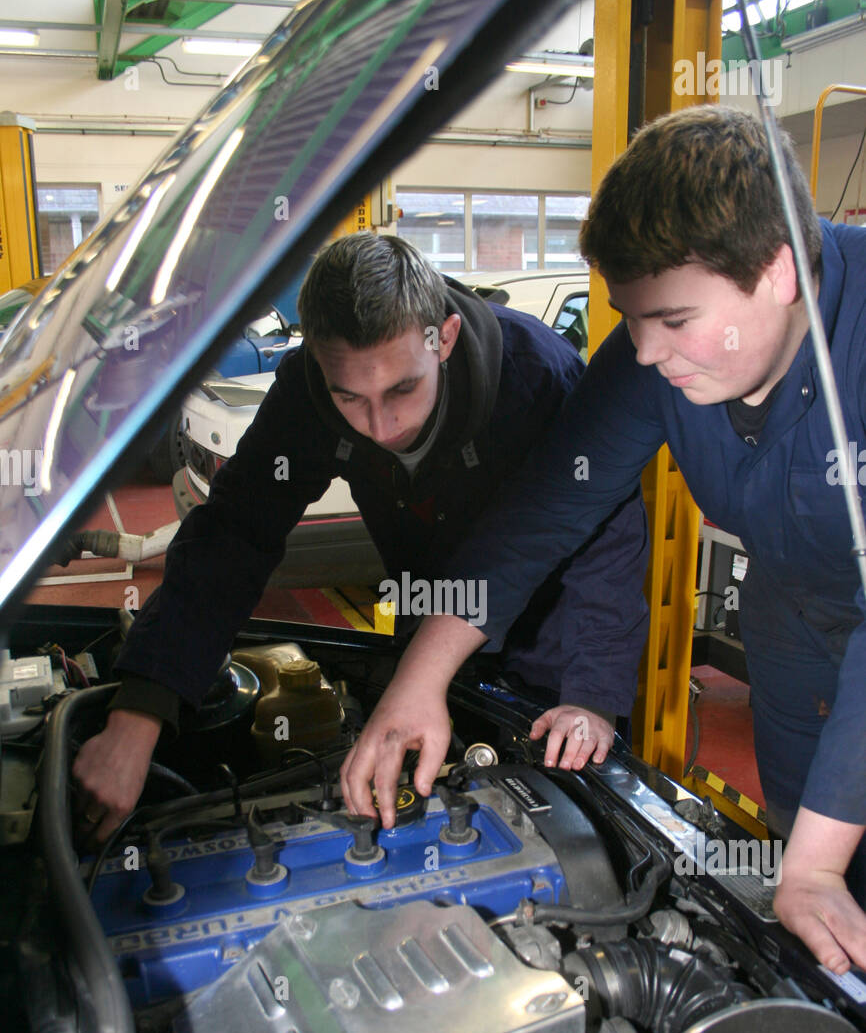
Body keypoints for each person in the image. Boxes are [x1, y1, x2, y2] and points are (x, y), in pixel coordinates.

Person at [341, 106, 866, 978]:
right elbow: (544, 511)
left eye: (674, 321)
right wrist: (418, 681)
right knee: (811, 930)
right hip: (794, 648)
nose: (646, 353)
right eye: (631, 320)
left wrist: (814, 866)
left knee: (815, 877)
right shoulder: (658, 349)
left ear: (779, 272)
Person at [73, 233, 649, 840]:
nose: (382, 425)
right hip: (428, 633)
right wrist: (140, 713)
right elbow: (233, 532)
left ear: (444, 338)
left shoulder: (538, 376)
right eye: (351, 397)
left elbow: (605, 535)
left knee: (574, 831)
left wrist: (591, 696)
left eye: (402, 389)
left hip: (557, 653)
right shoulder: (309, 392)